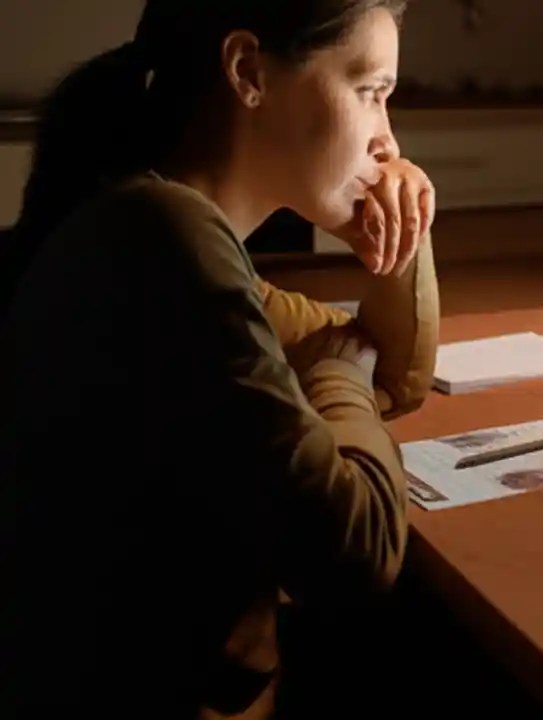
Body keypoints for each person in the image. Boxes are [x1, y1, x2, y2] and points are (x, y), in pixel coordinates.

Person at [0, 1, 443, 716]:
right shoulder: (162, 237)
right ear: (247, 71)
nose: (389, 142)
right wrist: (335, 375)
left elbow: (390, 373)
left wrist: (403, 238)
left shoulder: (149, 218)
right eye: (371, 93)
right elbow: (356, 552)